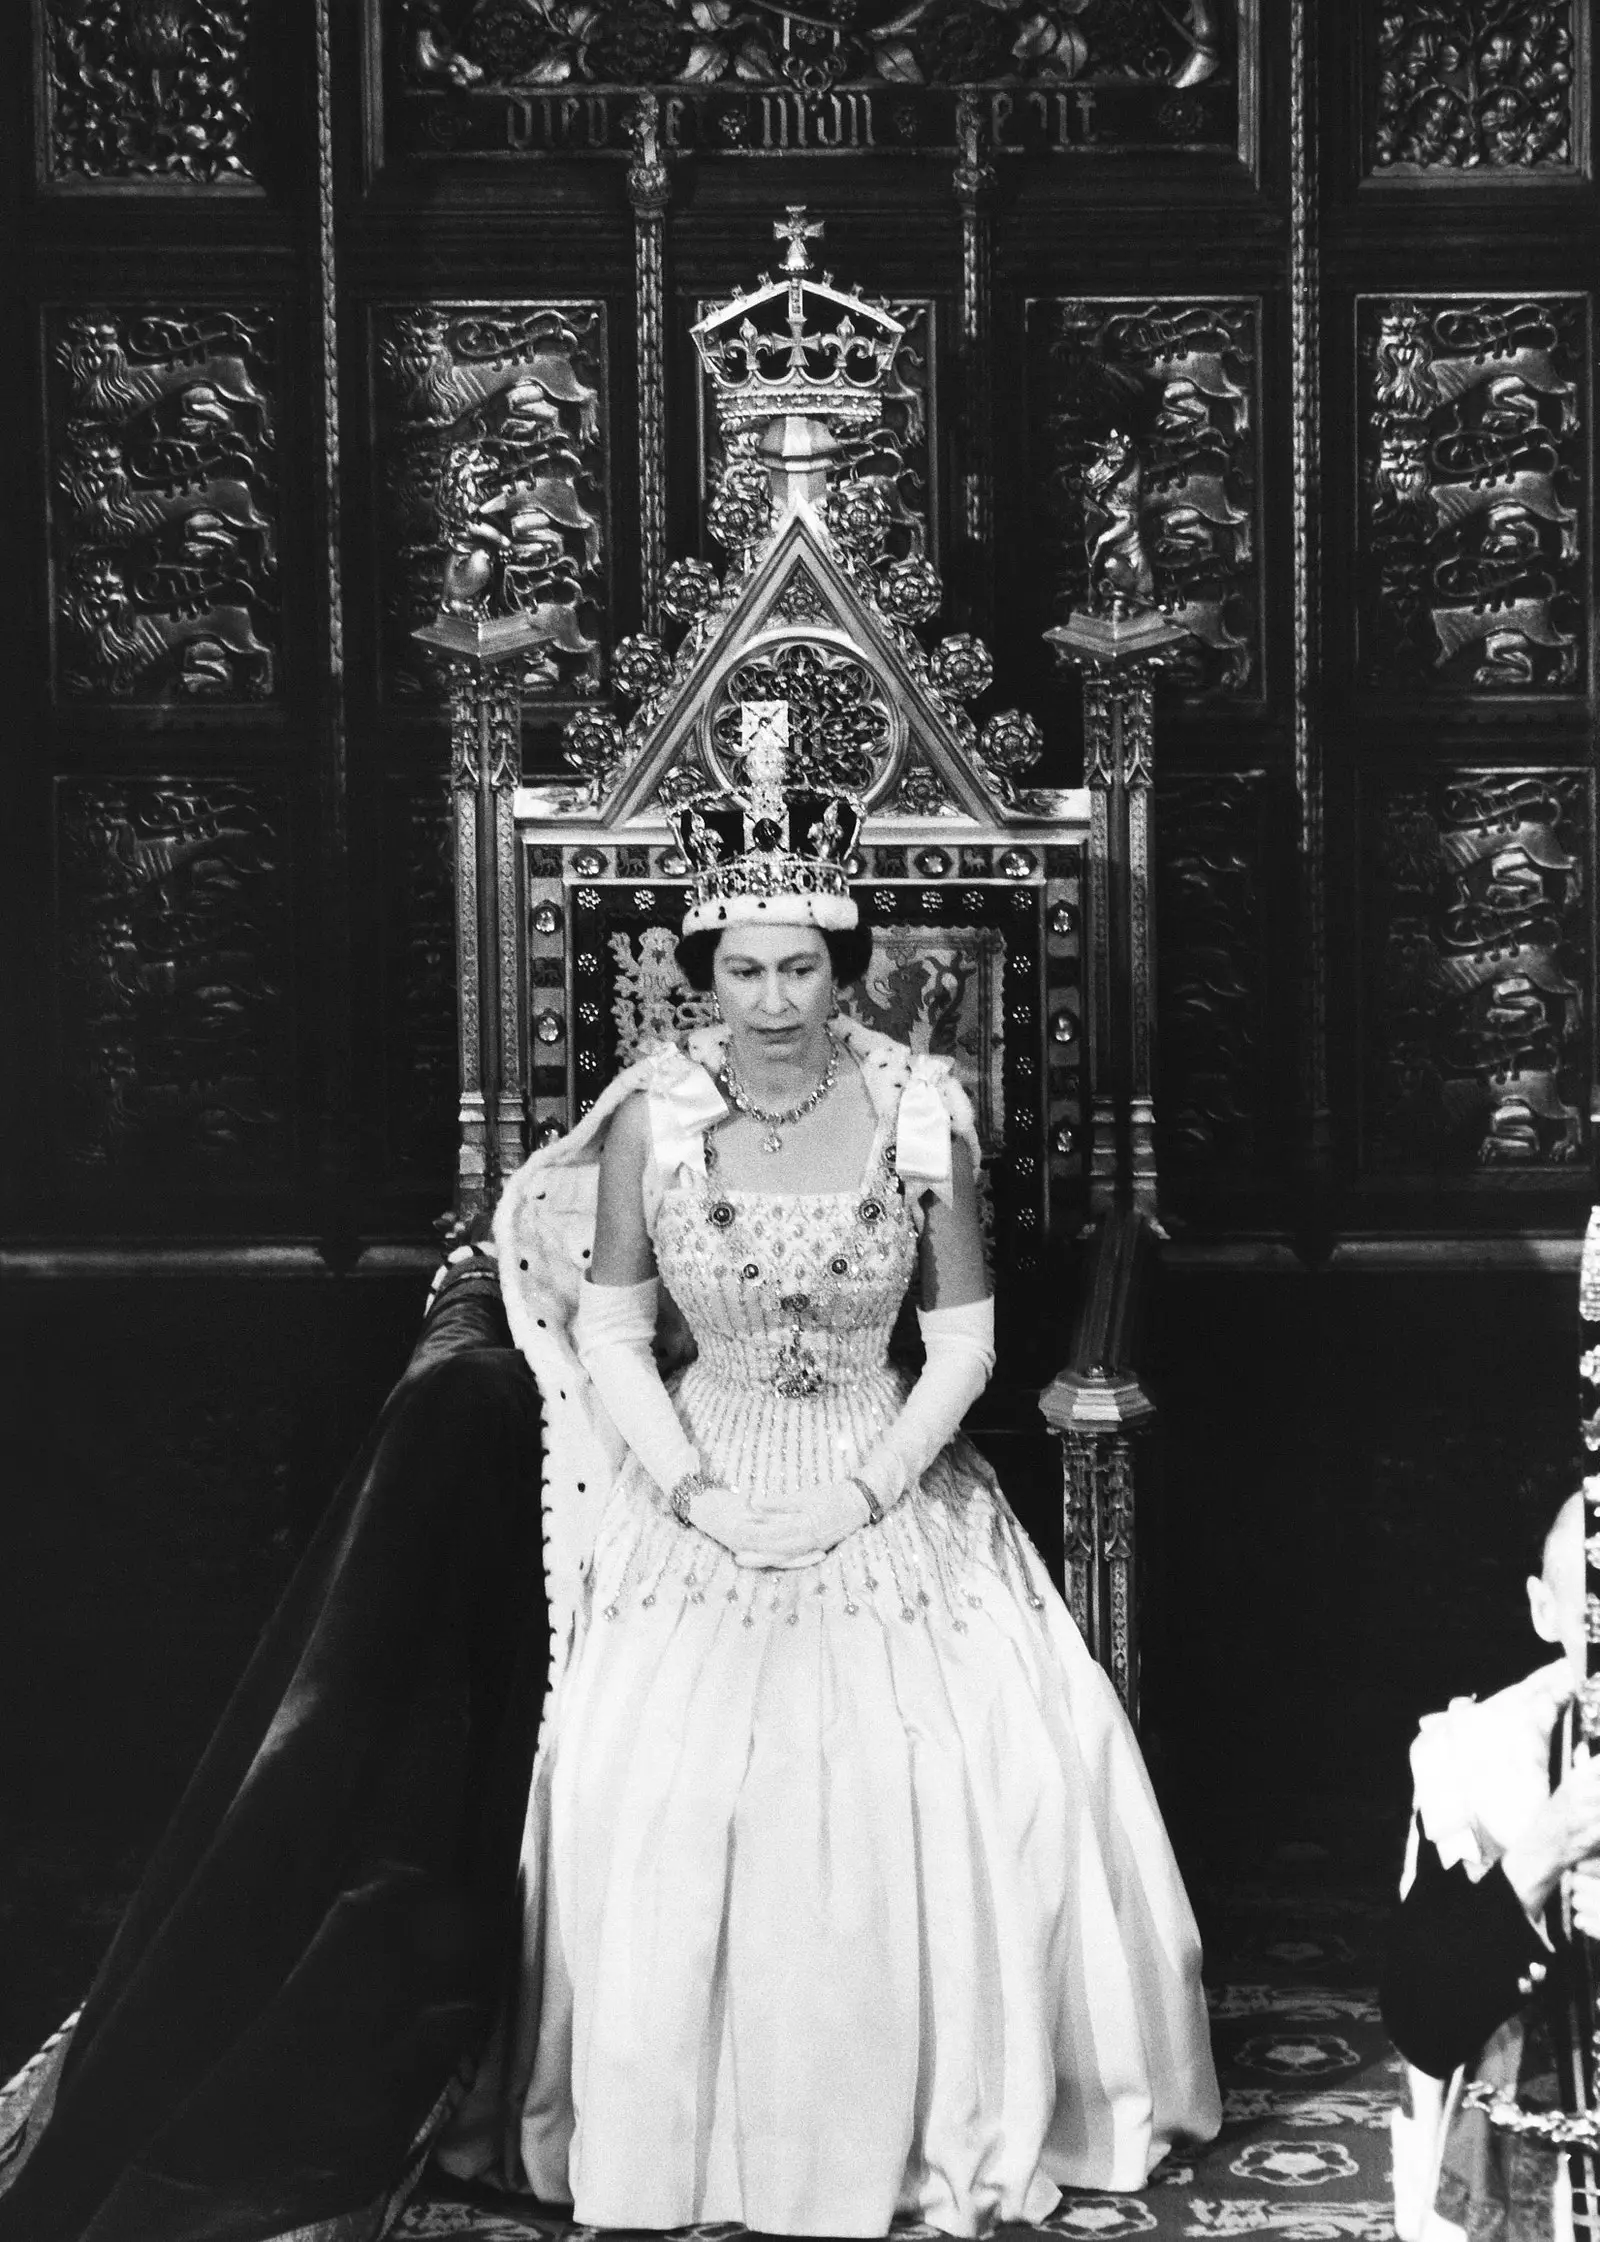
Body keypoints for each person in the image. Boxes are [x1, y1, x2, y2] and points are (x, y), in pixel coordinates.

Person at [437, 745, 1221, 2237]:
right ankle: (682, 2138)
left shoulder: (923, 1105)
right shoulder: (656, 1117)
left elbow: (969, 1338)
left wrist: (863, 1494)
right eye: (746, 968)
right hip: (704, 1473)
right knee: (644, 1778)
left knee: (962, 1771)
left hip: (882, 1468)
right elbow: (610, 1326)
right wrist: (695, 1492)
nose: (777, 999)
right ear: (703, 970)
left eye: (803, 966)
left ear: (845, 964)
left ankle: (915, 2119)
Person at [1383, 1469, 1600, 2242]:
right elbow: (1423, 2025)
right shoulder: (1480, 1756)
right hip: (1540, 2173)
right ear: (1547, 1612)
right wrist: (1544, 1852)